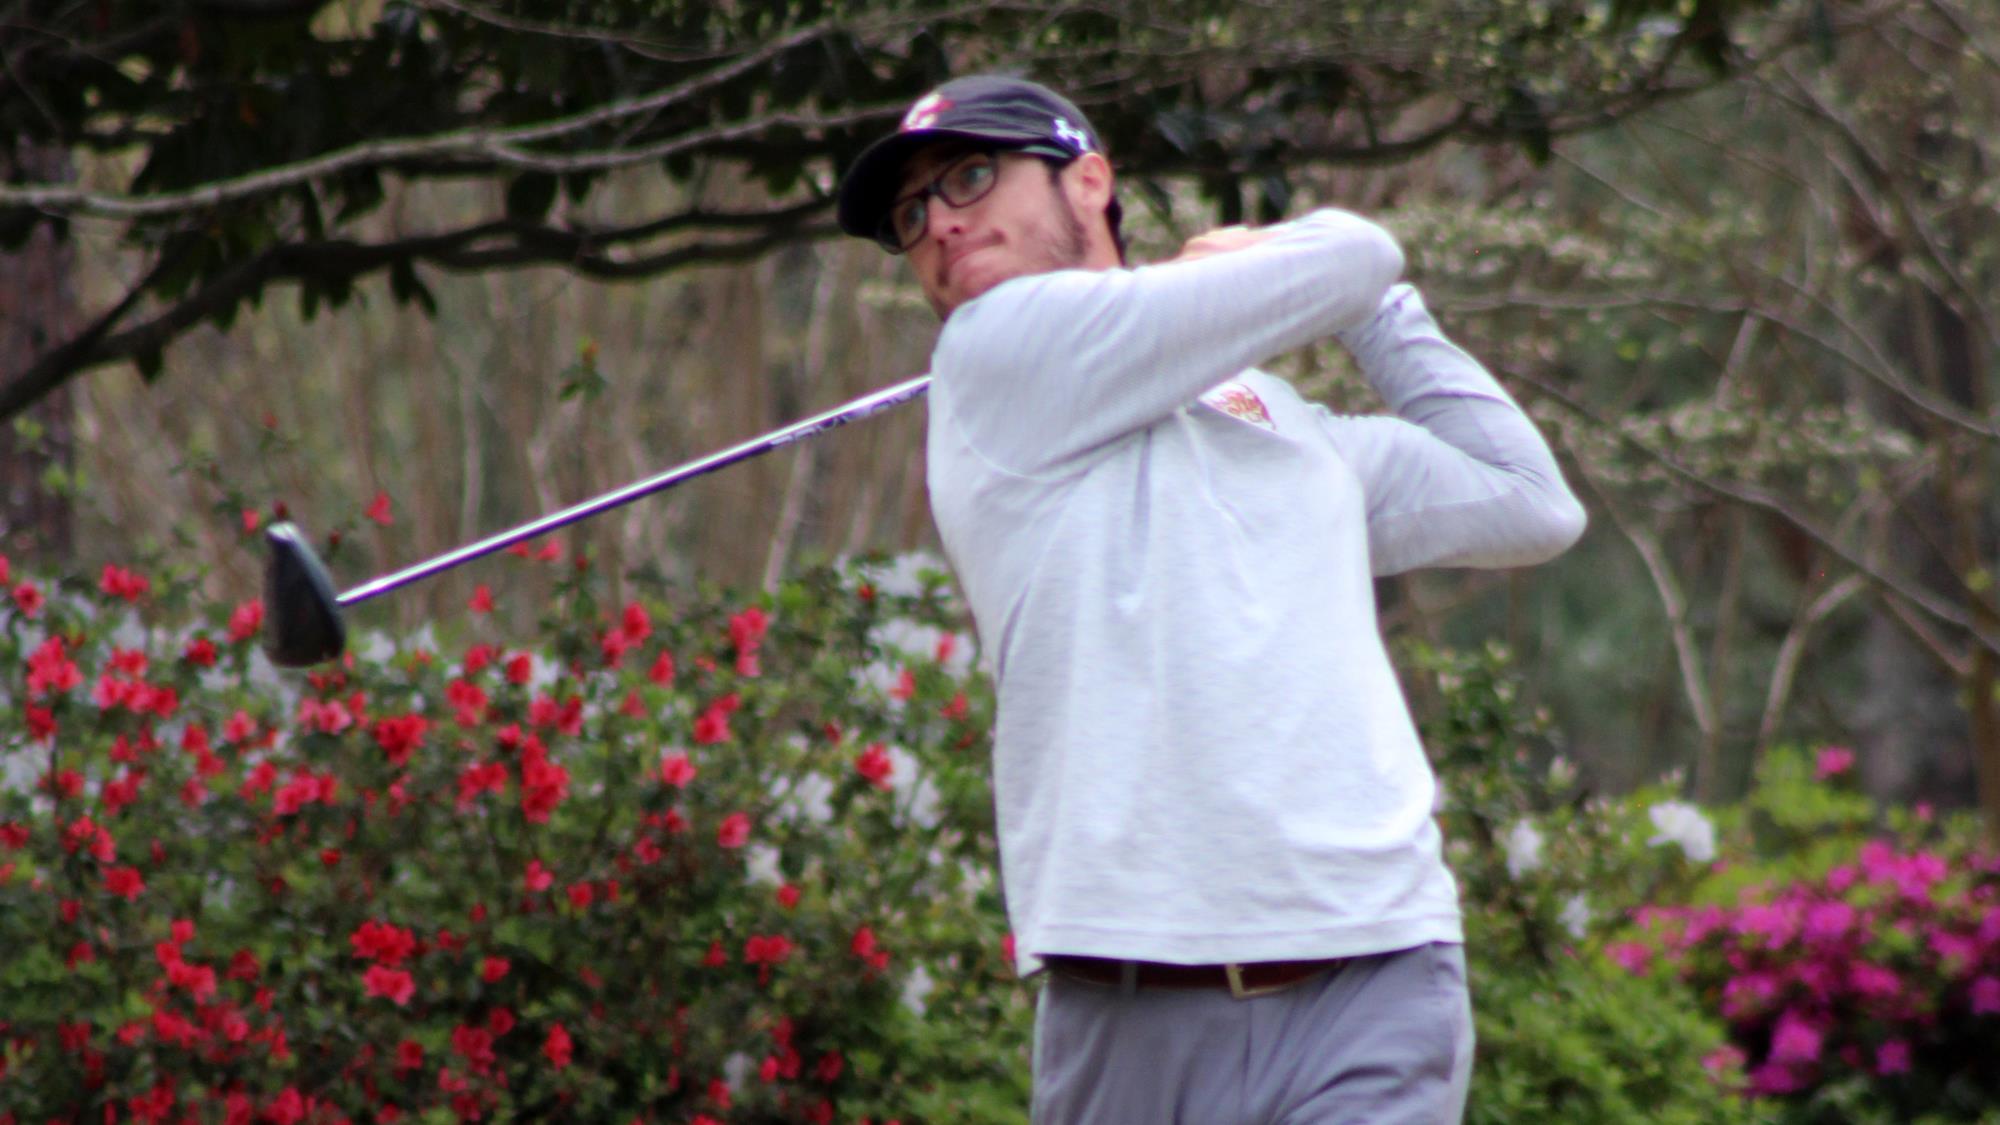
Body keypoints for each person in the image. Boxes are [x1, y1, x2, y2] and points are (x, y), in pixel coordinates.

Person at [836, 74, 1587, 1123]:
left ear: (1087, 182)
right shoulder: (994, 355)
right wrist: (1282, 265)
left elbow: (1528, 502)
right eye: (911, 214)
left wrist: (1377, 314)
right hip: (1135, 1001)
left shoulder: (1282, 420)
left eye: (968, 176)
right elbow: (1352, 251)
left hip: (1370, 976)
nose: (941, 225)